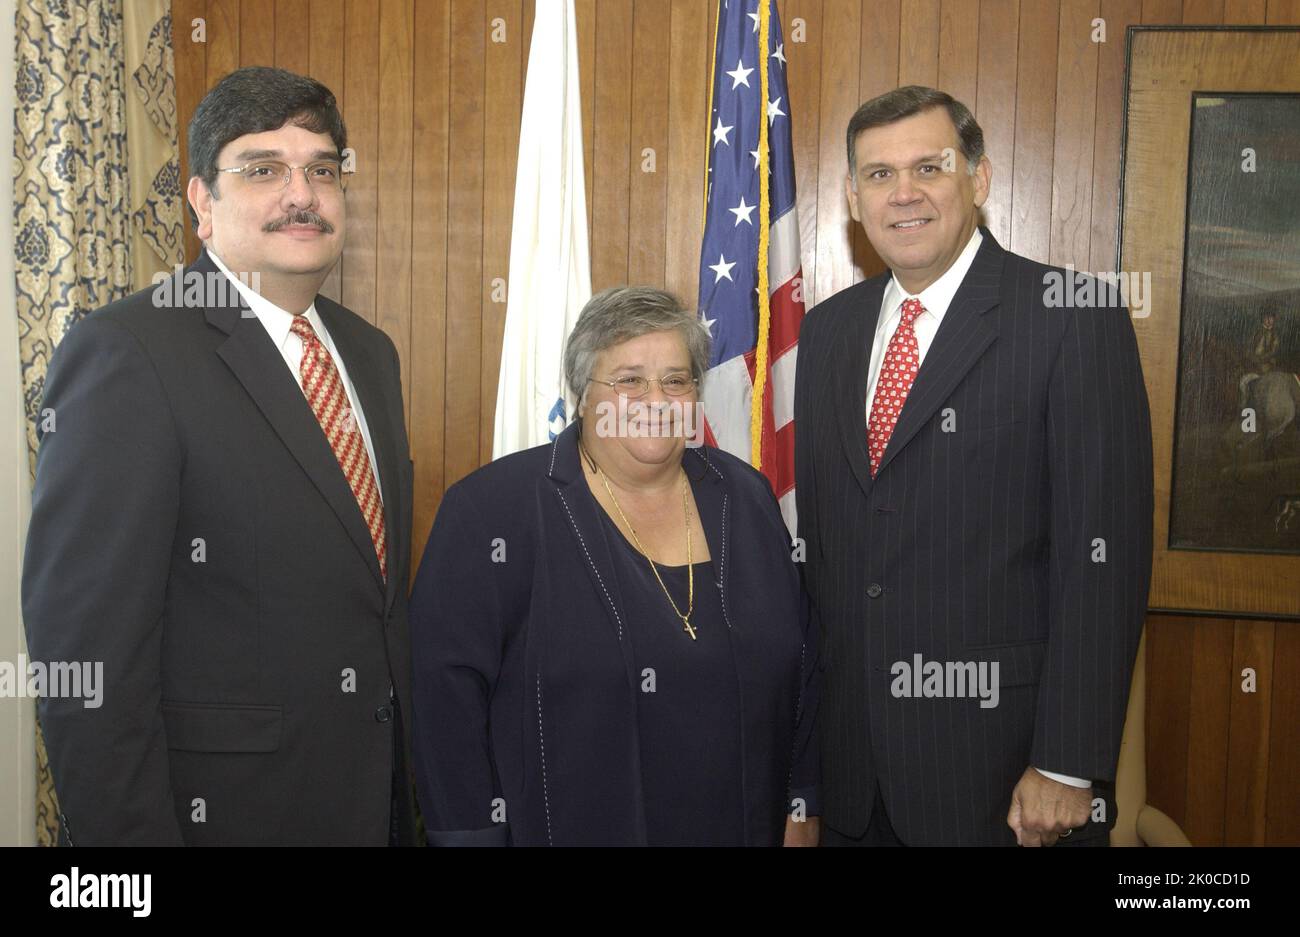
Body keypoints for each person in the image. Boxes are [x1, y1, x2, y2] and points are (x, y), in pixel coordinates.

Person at [22, 66, 416, 845]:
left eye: (323, 169)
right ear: (203, 202)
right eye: (264, 169)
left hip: (367, 805)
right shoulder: (129, 352)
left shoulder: (371, 355)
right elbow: (88, 667)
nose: (301, 193)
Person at [794, 86, 1153, 846]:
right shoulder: (827, 334)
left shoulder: (1071, 316)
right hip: (853, 783)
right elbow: (825, 561)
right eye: (880, 175)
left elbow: (1104, 559)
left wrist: (1065, 762)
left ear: (979, 179)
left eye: (930, 166)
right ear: (854, 199)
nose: (906, 193)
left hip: (1006, 781)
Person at [410, 286, 820, 846]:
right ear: (582, 395)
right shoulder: (491, 511)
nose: (655, 399)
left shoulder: (744, 498)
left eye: (676, 380)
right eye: (628, 380)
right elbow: (445, 702)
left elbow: (803, 664)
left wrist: (801, 807)